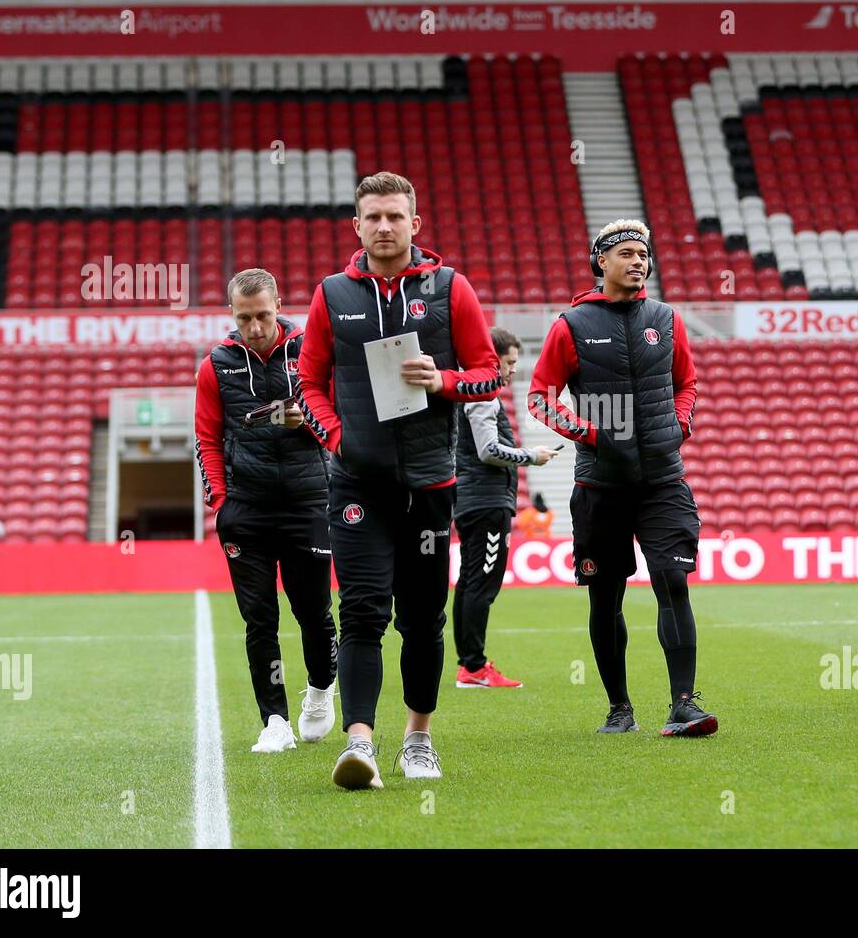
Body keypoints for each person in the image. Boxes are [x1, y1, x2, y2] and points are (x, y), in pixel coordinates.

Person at [296, 171, 503, 790]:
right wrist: (336, 437)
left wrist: (442, 380)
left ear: (415, 225)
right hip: (357, 487)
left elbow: (489, 375)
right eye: (373, 217)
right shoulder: (332, 293)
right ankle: (358, 743)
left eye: (395, 216)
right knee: (360, 613)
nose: (384, 227)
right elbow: (306, 383)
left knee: (421, 619)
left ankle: (418, 738)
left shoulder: (451, 289)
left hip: (430, 488)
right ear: (357, 226)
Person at [528, 218, 716, 737]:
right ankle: (619, 708)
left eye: (644, 254)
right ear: (601, 262)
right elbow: (540, 396)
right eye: (628, 253)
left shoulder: (667, 319)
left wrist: (681, 422)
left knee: (673, 582)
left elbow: (688, 382)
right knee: (604, 597)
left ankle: (684, 705)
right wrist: (589, 433)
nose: (639, 261)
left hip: (662, 482)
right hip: (600, 488)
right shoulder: (571, 325)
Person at [194, 268, 337, 753]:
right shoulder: (217, 363)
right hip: (247, 510)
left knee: (314, 614)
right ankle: (274, 720)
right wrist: (221, 501)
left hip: (308, 503)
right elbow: (207, 437)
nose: (254, 326)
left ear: (278, 306)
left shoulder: (311, 349)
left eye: (262, 315)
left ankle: (320, 691)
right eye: (244, 317)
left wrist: (307, 422)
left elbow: (339, 423)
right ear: (232, 315)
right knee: (260, 620)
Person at [452, 326, 559, 689]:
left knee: (470, 583)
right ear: (492, 358)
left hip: (471, 500)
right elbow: (488, 450)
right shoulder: (483, 394)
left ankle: (470, 664)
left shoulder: (467, 390)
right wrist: (533, 456)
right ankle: (474, 667)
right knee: (481, 584)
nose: (512, 370)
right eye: (509, 362)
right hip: (486, 501)